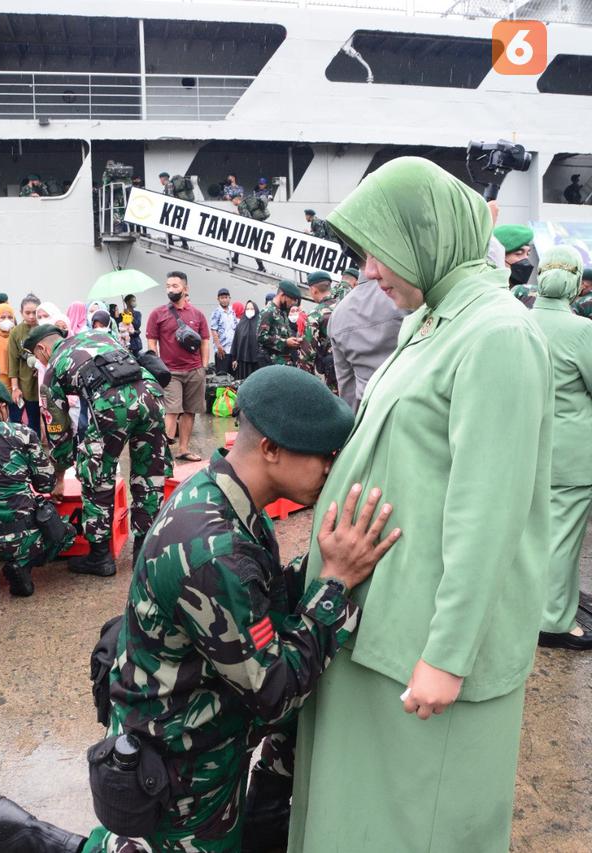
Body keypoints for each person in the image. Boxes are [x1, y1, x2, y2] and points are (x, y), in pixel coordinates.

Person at [0, 365, 401, 853]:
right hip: (183, 762)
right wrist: (335, 584)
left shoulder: (221, 495)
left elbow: (256, 606)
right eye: (324, 456)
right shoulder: (213, 549)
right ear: (271, 449)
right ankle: (31, 841)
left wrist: (314, 566)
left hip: (196, 720)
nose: (332, 468)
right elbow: (274, 690)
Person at [288, 157, 553, 853]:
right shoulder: (434, 322)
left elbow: (488, 514)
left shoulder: (497, 334)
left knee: (415, 826)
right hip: (378, 629)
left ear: (425, 235)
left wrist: (448, 656)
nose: (369, 271)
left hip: (422, 650)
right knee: (362, 822)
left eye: (380, 250)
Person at [29, 323, 171, 575]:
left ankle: (100, 557)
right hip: (152, 394)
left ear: (41, 348)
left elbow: (58, 432)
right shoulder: (97, 335)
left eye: (35, 356)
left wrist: (59, 475)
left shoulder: (52, 371)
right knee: (148, 471)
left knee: (96, 474)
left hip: (112, 404)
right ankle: (144, 551)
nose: (38, 361)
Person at [525, 247, 592, 650]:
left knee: (531, 535)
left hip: (528, 446)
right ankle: (553, 620)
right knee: (564, 541)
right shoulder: (582, 329)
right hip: (571, 455)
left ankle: (533, 607)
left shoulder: (518, 321)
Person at [0, 377, 74, 596]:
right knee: (65, 531)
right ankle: (22, 565)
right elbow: (46, 484)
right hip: (21, 537)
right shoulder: (23, 434)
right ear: (2, 407)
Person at [146, 271, 210, 462]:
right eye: (168, 286)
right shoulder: (158, 313)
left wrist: (204, 366)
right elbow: (151, 341)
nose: (170, 289)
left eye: (175, 286)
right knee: (172, 410)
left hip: (194, 370)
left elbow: (205, 340)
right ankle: (163, 455)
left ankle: (183, 449)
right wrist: (157, 366)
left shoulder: (197, 314)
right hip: (170, 372)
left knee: (190, 411)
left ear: (185, 288)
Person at [330, 271, 405, 411]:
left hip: (369, 411)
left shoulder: (338, 314)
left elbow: (347, 386)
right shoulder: (406, 295)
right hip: (413, 406)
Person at [298, 270, 340, 393]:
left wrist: (303, 380)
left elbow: (308, 353)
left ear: (313, 290)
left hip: (332, 372)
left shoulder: (315, 315)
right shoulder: (344, 306)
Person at [8, 295, 41, 437]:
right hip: (24, 382)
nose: (32, 316)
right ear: (21, 312)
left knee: (38, 421)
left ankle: (38, 450)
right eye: (28, 313)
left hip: (41, 382)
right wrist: (15, 388)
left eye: (35, 312)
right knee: (20, 420)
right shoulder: (16, 332)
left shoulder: (44, 328)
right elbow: (13, 361)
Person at [257, 281, 303, 366]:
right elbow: (261, 336)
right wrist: (285, 342)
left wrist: (294, 341)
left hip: (285, 362)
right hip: (272, 364)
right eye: (292, 299)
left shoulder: (282, 312)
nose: (293, 303)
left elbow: (283, 334)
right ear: (282, 295)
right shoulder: (268, 312)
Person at [492, 223, 536, 307]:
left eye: (528, 254)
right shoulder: (489, 293)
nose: (525, 260)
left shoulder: (529, 295)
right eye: (519, 254)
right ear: (499, 257)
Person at [230, 194, 267, 272]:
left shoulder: (241, 206)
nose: (232, 202)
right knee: (255, 248)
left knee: (239, 241)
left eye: (232, 200)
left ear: (236, 199)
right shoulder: (247, 203)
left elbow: (247, 218)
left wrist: (238, 216)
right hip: (259, 226)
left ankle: (235, 258)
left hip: (252, 228)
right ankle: (261, 267)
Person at [158, 171, 190, 249]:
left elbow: (170, 198)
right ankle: (175, 242)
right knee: (174, 227)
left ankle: (180, 243)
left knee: (173, 227)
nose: (160, 181)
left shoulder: (169, 185)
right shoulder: (170, 185)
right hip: (175, 209)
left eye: (160, 179)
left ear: (163, 178)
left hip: (173, 210)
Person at [210, 288, 238, 374]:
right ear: (218, 299)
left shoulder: (232, 312)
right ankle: (222, 388)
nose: (224, 300)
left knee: (232, 377)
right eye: (222, 298)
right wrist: (218, 346)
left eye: (226, 297)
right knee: (222, 378)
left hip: (232, 351)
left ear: (229, 298)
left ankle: (230, 389)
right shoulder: (216, 312)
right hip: (222, 352)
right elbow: (214, 330)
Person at [231, 300, 260, 380]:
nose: (249, 311)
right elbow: (236, 342)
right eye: (247, 309)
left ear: (256, 310)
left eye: (252, 309)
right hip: (243, 361)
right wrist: (234, 359)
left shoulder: (260, 325)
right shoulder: (240, 325)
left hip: (257, 361)